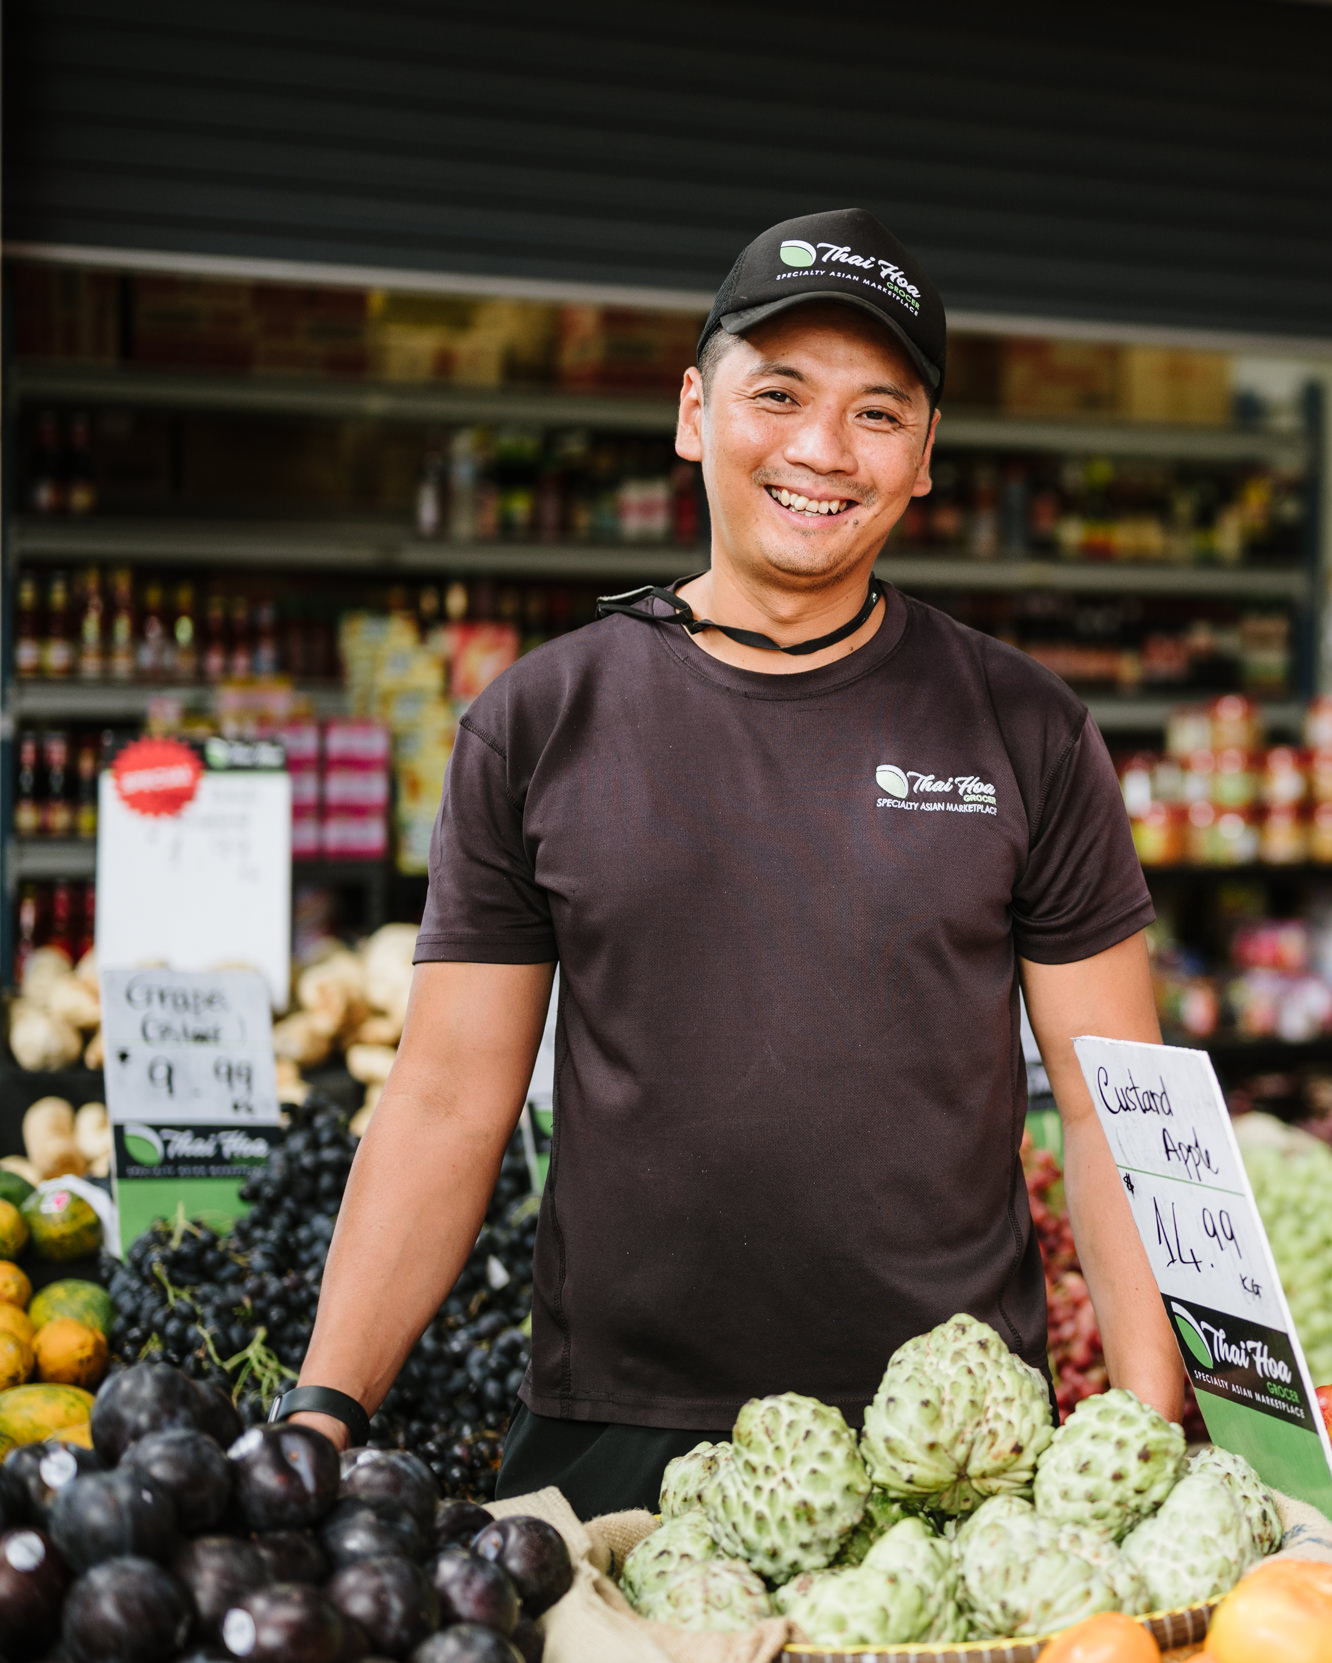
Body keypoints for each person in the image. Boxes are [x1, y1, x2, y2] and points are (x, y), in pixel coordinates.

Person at [279, 209, 1185, 1515]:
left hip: (949, 1452)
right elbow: (442, 1100)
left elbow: (1112, 1113)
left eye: (880, 414)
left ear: (925, 458)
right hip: (615, 1435)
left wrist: (1145, 1426)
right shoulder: (539, 722)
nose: (822, 450)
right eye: (779, 395)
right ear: (696, 412)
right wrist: (325, 1403)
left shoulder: (1026, 729)